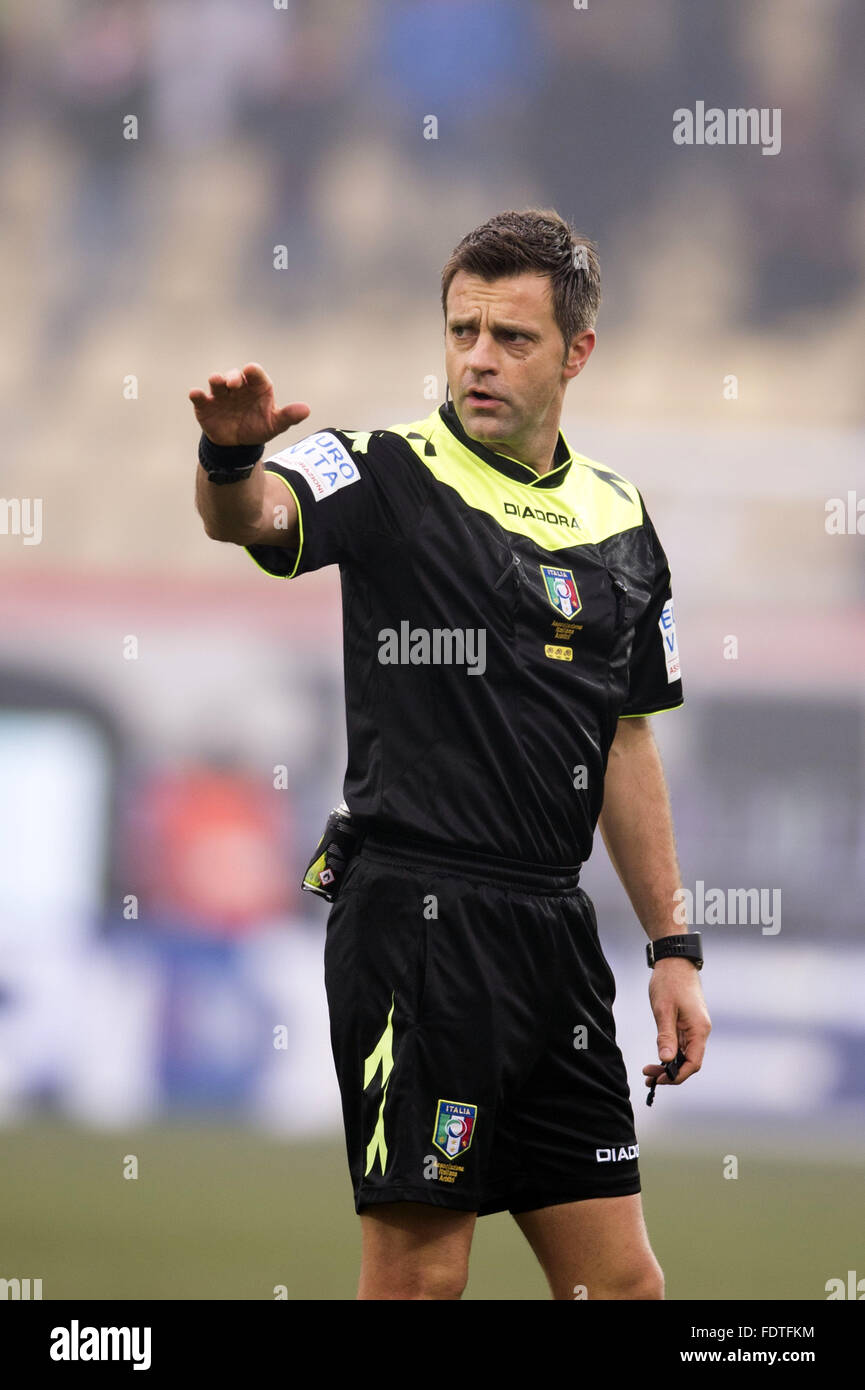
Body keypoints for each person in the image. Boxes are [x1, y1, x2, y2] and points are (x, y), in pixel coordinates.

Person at [189, 208, 711, 1301]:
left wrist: (673, 943)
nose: (478, 356)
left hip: (553, 934)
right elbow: (252, 515)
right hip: (416, 924)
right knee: (422, 1278)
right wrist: (230, 455)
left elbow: (624, 737)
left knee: (622, 1288)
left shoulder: (619, 517)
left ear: (577, 353)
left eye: (511, 337)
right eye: (462, 329)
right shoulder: (384, 470)